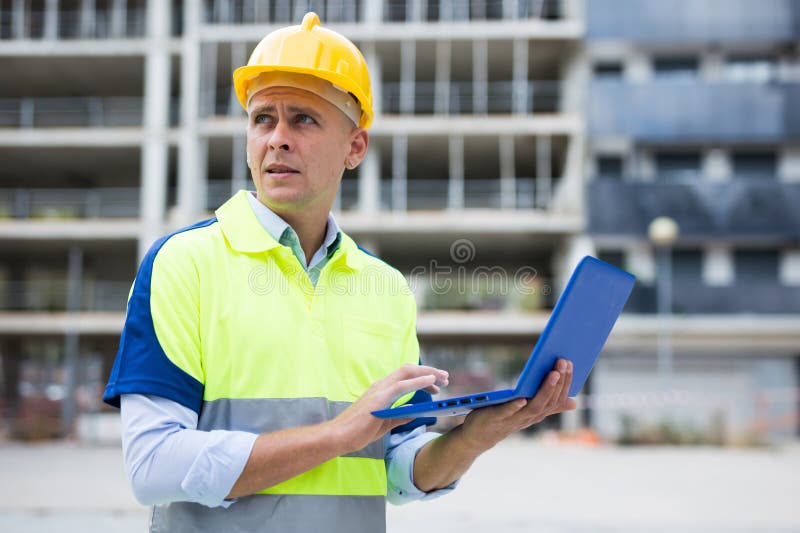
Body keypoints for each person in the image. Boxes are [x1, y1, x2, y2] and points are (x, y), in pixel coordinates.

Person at [103, 12, 576, 533]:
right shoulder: (182, 263)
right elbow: (152, 465)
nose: (277, 138)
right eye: (263, 118)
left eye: (303, 119)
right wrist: (337, 435)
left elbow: (395, 468)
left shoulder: (386, 290)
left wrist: (472, 439)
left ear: (355, 147)